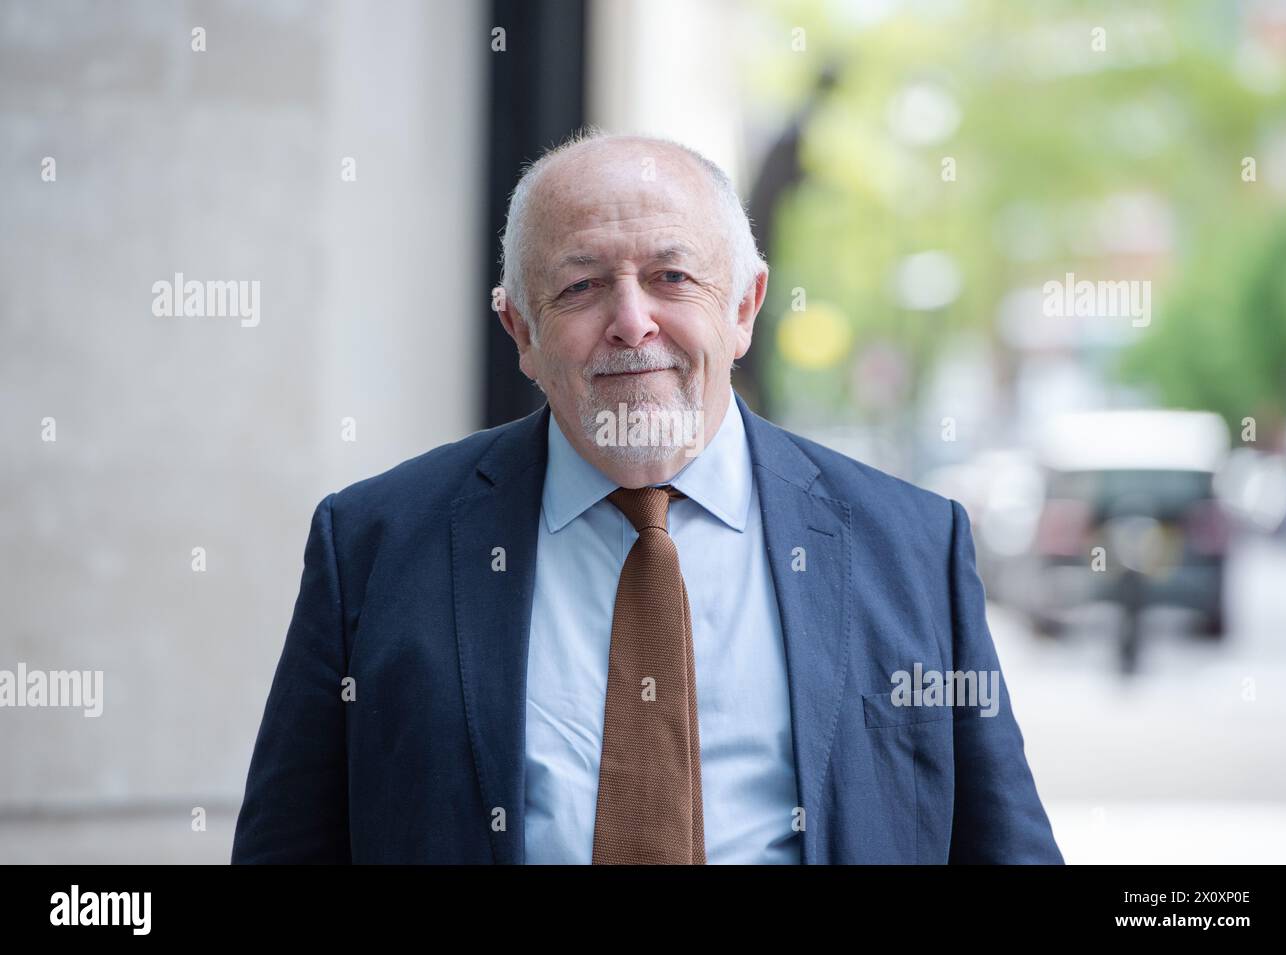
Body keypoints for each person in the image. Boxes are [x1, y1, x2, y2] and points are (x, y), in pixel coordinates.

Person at [231, 128, 1063, 864]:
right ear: (520, 330)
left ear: (744, 307)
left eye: (671, 275)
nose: (632, 321)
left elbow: (1003, 845)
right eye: (581, 286)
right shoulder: (374, 544)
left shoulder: (911, 543)